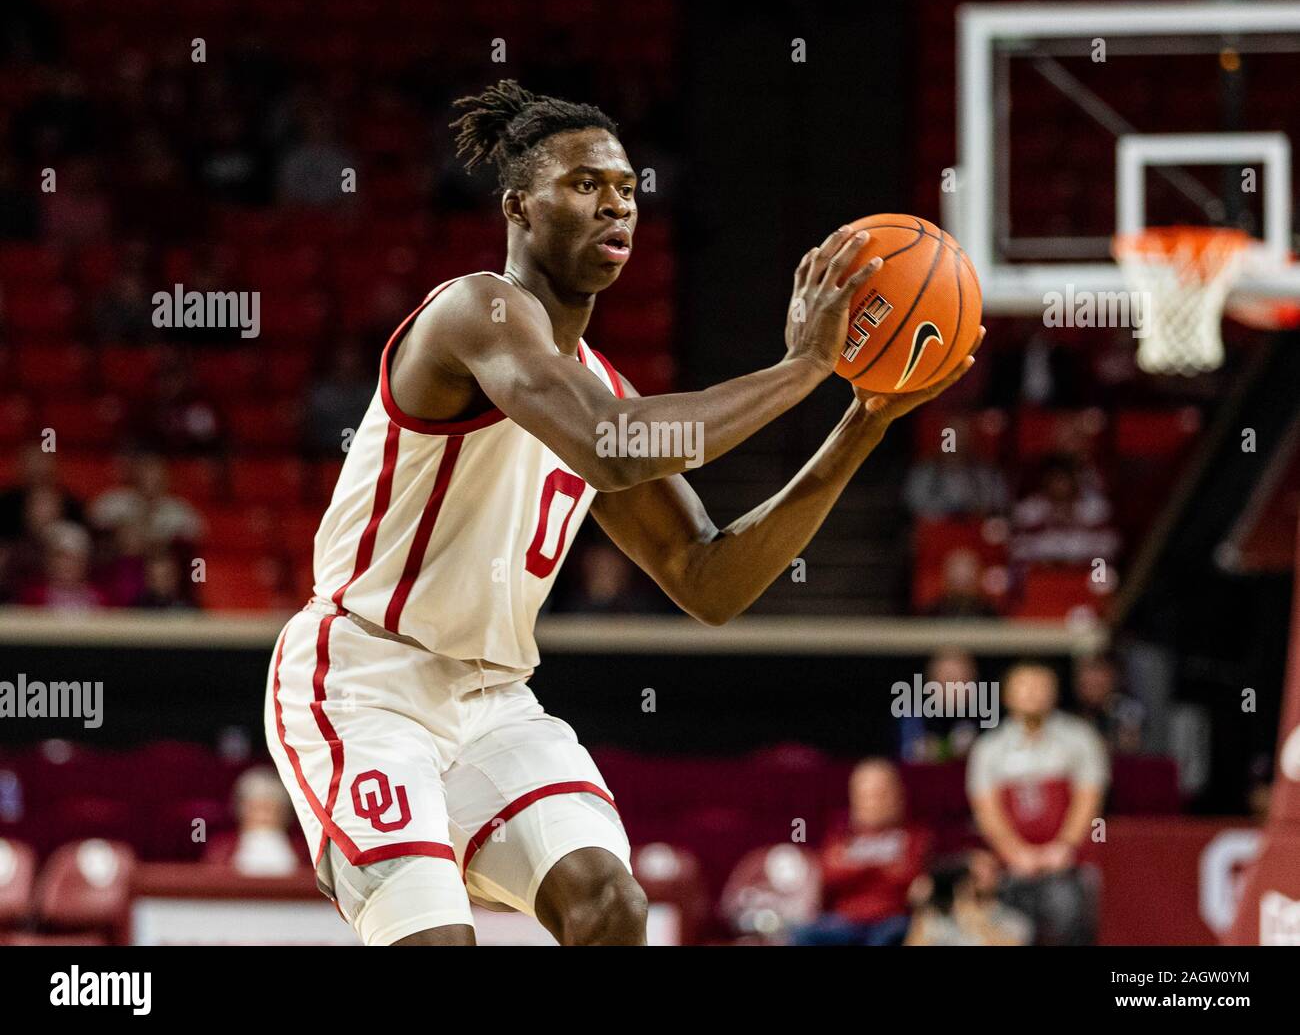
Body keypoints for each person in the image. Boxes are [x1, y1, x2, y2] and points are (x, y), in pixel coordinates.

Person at [264, 79, 983, 947]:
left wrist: (862, 421)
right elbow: (612, 444)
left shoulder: (603, 389)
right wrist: (804, 369)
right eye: (585, 185)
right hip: (365, 682)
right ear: (519, 207)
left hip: (491, 695)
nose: (617, 205)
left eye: (628, 189)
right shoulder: (476, 312)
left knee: (612, 905)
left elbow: (708, 580)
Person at [967, 662, 1108, 945]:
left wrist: (1065, 846)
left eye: (1041, 686)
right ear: (1007, 696)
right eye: (1024, 686)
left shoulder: (1080, 738)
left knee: (1068, 912)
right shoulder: (988, 748)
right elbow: (986, 809)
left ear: (1054, 694)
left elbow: (1089, 799)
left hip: (1069, 861)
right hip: (1011, 864)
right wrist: (1015, 853)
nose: (1033, 693)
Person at [790, 760, 932, 946]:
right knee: (801, 932)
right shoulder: (840, 835)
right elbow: (828, 874)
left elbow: (907, 874)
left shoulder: (915, 835)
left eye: (881, 795)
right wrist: (879, 866)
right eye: (866, 796)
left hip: (893, 919)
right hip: (845, 922)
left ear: (899, 796)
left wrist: (856, 866)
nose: (873, 803)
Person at [904, 849, 1031, 946]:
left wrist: (977, 923)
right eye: (971, 870)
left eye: (987, 868)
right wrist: (921, 907)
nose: (977, 875)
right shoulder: (936, 917)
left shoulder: (1014, 921)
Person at [204, 767, 303, 877]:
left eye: (270, 810)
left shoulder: (302, 850)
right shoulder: (223, 848)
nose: (263, 817)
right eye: (256, 809)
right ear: (241, 810)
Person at [1070, 653, 1144, 754]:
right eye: (1086, 685)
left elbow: (1129, 748)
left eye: (1097, 685)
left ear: (1112, 680)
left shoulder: (1127, 708)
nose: (1091, 690)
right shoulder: (1070, 712)